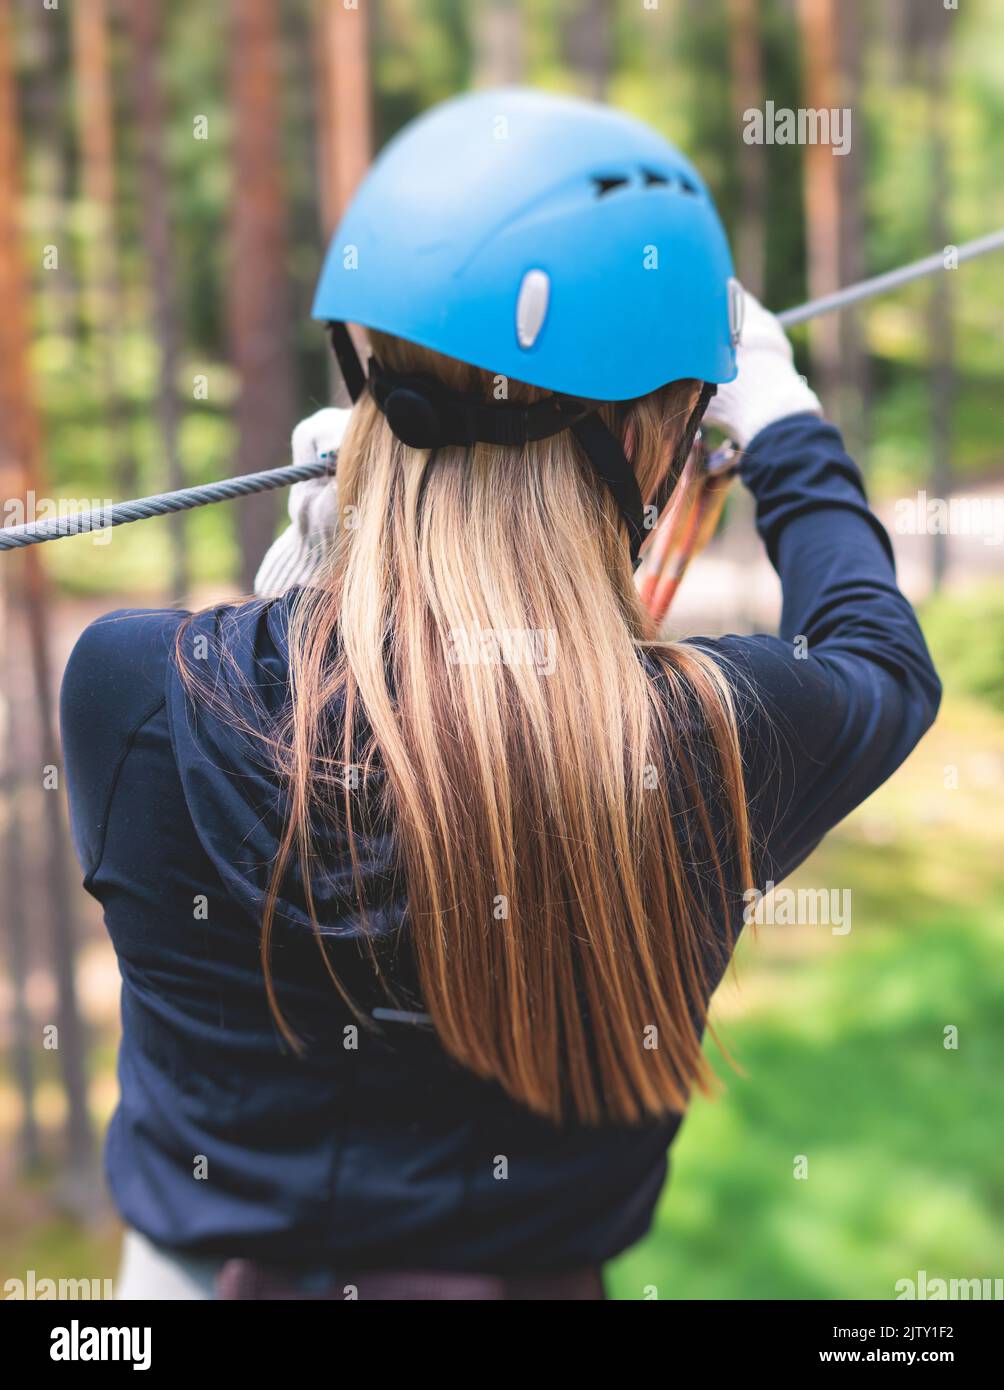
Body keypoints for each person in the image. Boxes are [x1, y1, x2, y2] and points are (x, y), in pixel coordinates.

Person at [60, 89, 941, 1301]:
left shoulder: (128, 691)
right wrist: (784, 427)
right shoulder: (710, 742)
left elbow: (312, 742)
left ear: (360, 371)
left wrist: (328, 563)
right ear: (658, 442)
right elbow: (880, 658)